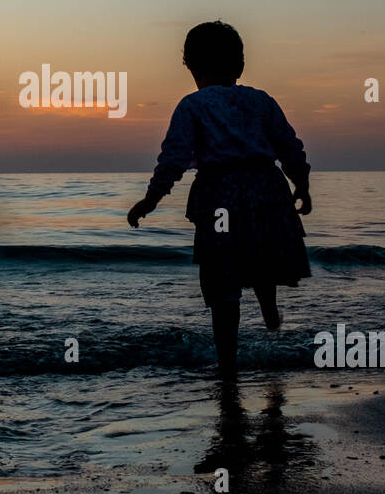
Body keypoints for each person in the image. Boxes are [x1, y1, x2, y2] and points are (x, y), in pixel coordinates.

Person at [128, 21, 312, 379]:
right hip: (267, 190)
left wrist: (151, 198)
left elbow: (174, 157)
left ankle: (228, 363)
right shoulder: (262, 100)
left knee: (222, 279)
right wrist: (302, 183)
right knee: (262, 255)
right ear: (240, 66)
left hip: (220, 194)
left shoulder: (193, 105)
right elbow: (289, 145)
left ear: (191, 68)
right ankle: (269, 307)